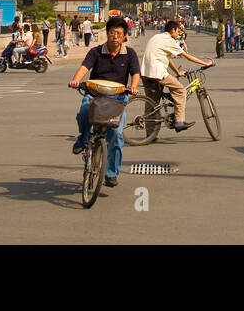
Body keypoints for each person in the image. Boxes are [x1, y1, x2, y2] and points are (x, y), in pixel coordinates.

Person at [69, 16, 141, 188]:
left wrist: (134, 87)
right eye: (111, 33)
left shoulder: (130, 54)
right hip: (94, 94)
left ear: (124, 36)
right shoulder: (96, 52)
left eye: (118, 33)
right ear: (107, 34)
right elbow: (84, 67)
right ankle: (83, 139)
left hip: (117, 98)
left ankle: (111, 173)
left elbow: (136, 74)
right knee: (84, 112)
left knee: (116, 135)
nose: (114, 36)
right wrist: (76, 80)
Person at [141, 20, 213, 132]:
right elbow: (187, 56)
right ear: (173, 30)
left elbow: (167, 59)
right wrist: (206, 63)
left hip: (145, 73)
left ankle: (150, 135)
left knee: (152, 103)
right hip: (157, 72)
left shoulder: (157, 37)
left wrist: (177, 72)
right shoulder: (169, 40)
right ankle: (179, 121)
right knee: (180, 90)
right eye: (178, 31)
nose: (178, 33)